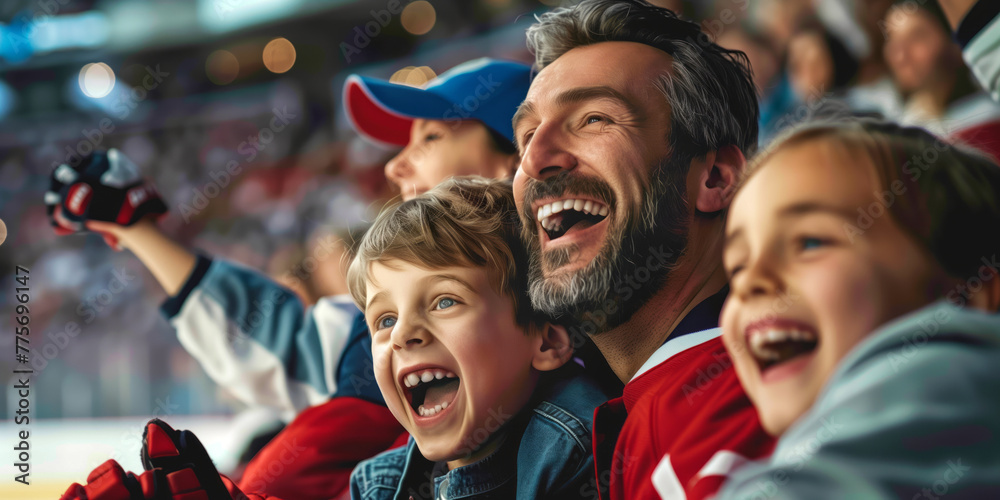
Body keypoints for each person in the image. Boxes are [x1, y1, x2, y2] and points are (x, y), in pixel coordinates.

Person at [49, 58, 531, 500]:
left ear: (518, 160)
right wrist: (135, 229)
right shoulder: (377, 335)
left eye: (430, 138)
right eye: (385, 318)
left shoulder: (574, 323)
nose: (394, 165)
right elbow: (271, 339)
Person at [512, 1, 774, 498]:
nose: (535, 160)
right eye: (526, 136)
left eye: (594, 119)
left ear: (715, 177)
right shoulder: (630, 403)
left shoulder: (750, 406)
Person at [716, 120, 1000, 498]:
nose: (752, 282)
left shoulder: (951, 370)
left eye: (811, 242)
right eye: (737, 267)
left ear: (969, 295)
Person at [348, 177, 613, 499]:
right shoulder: (379, 485)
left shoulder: (577, 451)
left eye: (445, 302)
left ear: (547, 342)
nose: (402, 334)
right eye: (386, 320)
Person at [883, 0, 1000, 158]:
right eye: (892, 40)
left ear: (954, 43)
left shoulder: (988, 123)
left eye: (917, 37)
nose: (901, 55)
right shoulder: (897, 131)